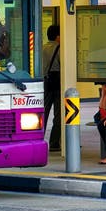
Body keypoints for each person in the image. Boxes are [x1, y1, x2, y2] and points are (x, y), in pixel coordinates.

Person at [42, 24, 61, 152]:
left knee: (43, 112)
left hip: (45, 83)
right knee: (58, 114)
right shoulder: (60, 49)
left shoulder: (41, 48)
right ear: (58, 36)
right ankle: (54, 142)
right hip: (57, 83)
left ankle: (38, 138)